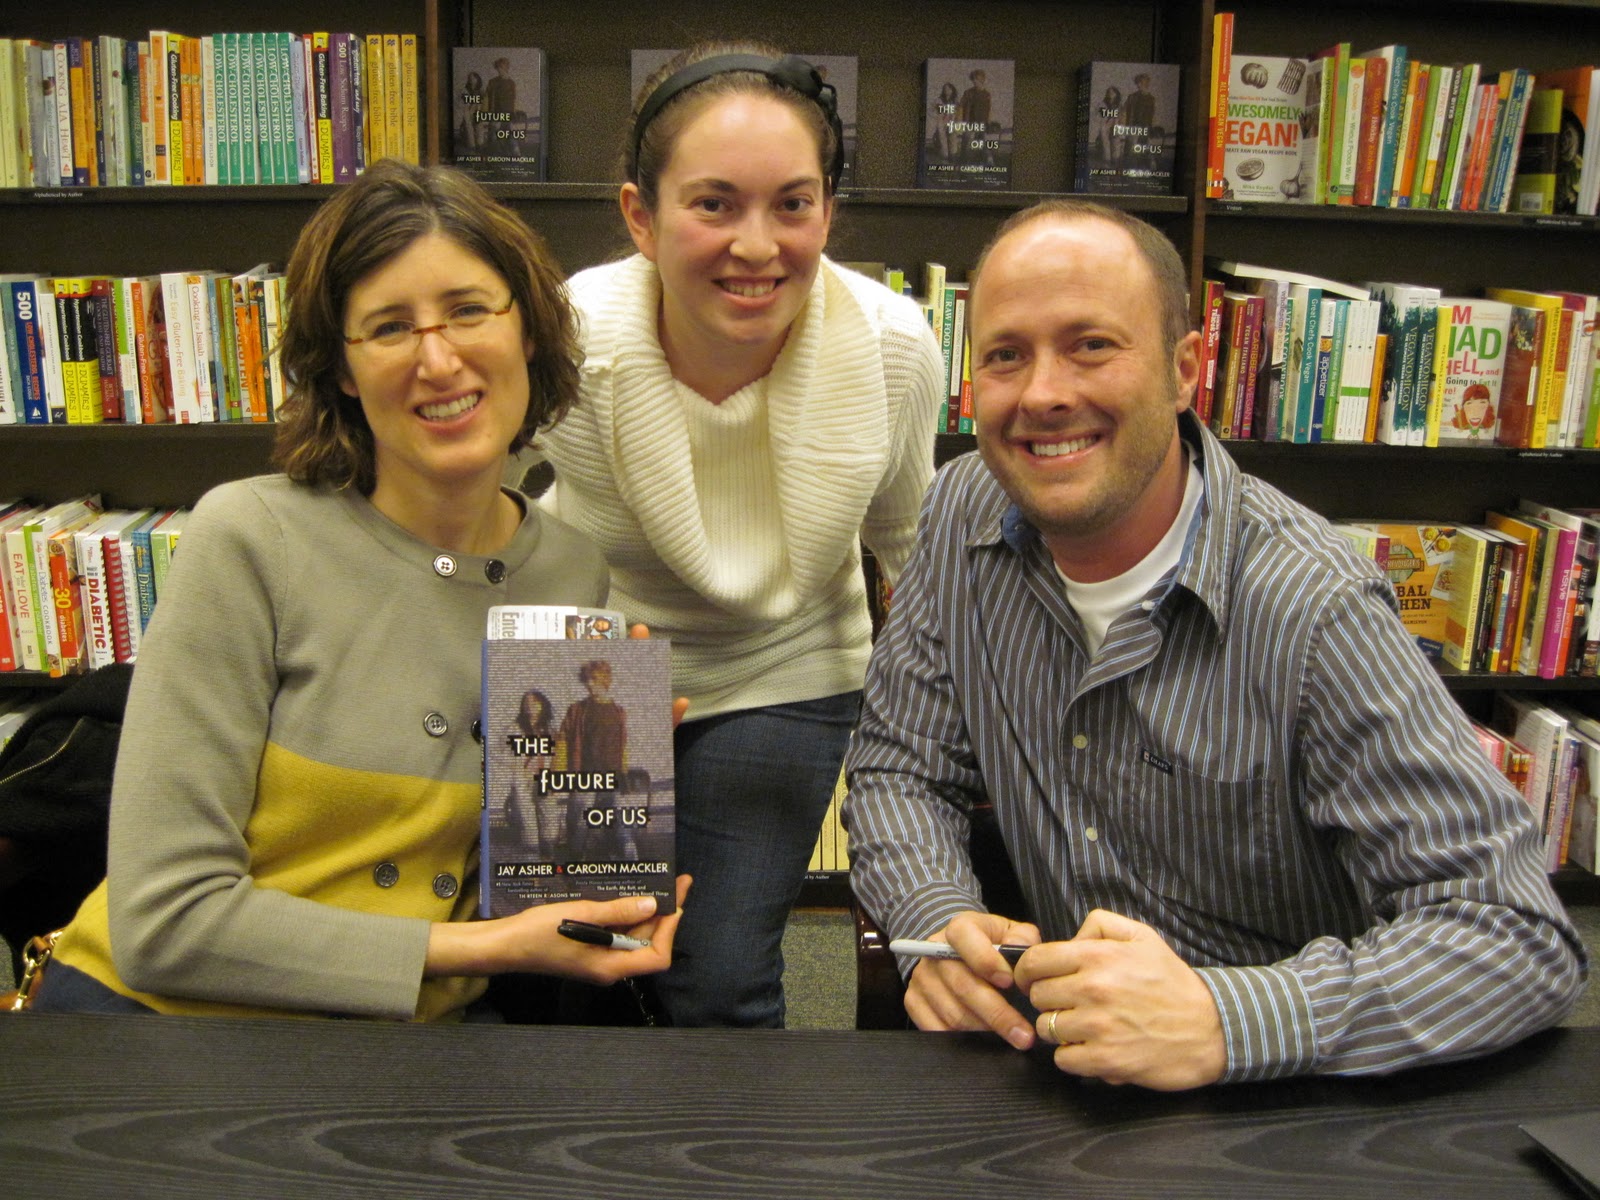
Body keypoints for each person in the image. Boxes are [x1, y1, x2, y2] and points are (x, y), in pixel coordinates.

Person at [843, 199, 1586, 1089]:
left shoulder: (1315, 608)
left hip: (1286, 1099)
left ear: (1185, 369)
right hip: (1072, 1075)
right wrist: (936, 917)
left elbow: (1516, 936)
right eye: (1006, 354)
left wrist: (1227, 1018)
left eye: (1091, 345)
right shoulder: (962, 509)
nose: (1042, 393)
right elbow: (899, 766)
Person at [30, 160, 688, 1020]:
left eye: (467, 310)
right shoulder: (248, 538)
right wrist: (485, 949)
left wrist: (600, 794)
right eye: (388, 328)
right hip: (164, 1026)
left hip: (408, 1038)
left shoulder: (568, 570)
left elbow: (504, 867)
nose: (439, 358)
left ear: (527, 329)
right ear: (340, 370)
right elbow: (161, 921)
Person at [522, 41, 943, 1027]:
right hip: (591, 658)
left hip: (783, 668)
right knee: (578, 969)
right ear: (640, 214)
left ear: (827, 214)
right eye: (713, 204)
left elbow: (908, 550)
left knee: (714, 982)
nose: (756, 245)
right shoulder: (566, 334)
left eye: (792, 205)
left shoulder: (891, 347)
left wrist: (931, 745)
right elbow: (471, 506)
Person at [556, 659, 630, 859]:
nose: (590, 684)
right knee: (578, 822)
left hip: (612, 775)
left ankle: (631, 865)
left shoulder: (619, 711)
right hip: (584, 775)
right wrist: (559, 774)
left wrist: (624, 772)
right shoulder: (577, 710)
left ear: (606, 680)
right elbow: (562, 741)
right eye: (587, 680)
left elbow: (622, 746)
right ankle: (575, 861)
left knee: (619, 822)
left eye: (594, 679)